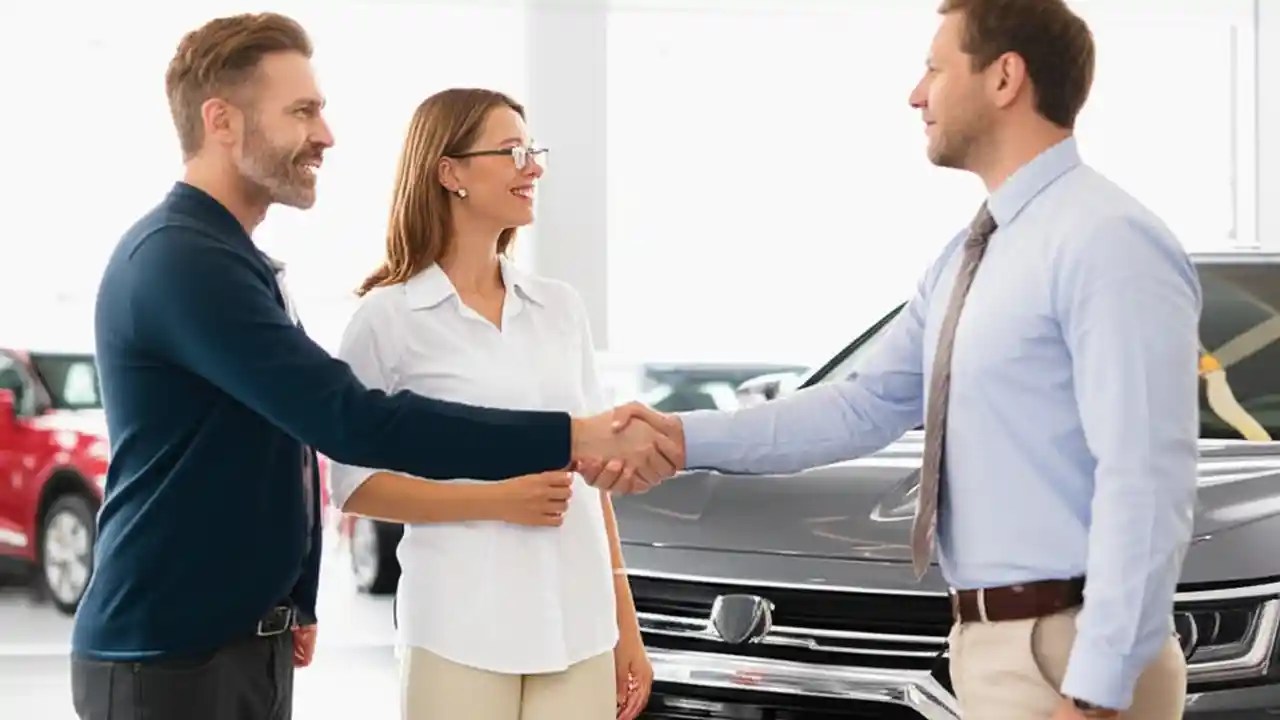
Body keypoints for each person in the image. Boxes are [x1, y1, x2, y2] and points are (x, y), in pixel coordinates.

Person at [599, 1, 1199, 718]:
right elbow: (862, 404)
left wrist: (1099, 687)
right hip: (989, 647)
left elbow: (1146, 476)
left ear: (1005, 77)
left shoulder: (1107, 240)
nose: (917, 94)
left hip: (1070, 654)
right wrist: (680, 437)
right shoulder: (971, 255)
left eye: (936, 69)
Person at [73, 13, 676, 720]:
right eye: (302, 111)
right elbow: (346, 420)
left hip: (234, 643)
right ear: (222, 121)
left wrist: (293, 595)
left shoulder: (235, 262)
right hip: (170, 652)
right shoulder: (183, 262)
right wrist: (571, 438)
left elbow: (280, 444)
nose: (325, 134)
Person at [328, 87, 652, 720]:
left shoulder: (561, 308)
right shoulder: (387, 320)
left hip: (579, 625)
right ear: (450, 172)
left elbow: (594, 482)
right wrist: (494, 501)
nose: (533, 166)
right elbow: (354, 485)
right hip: (461, 627)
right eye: (511, 151)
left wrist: (625, 624)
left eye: (533, 150)